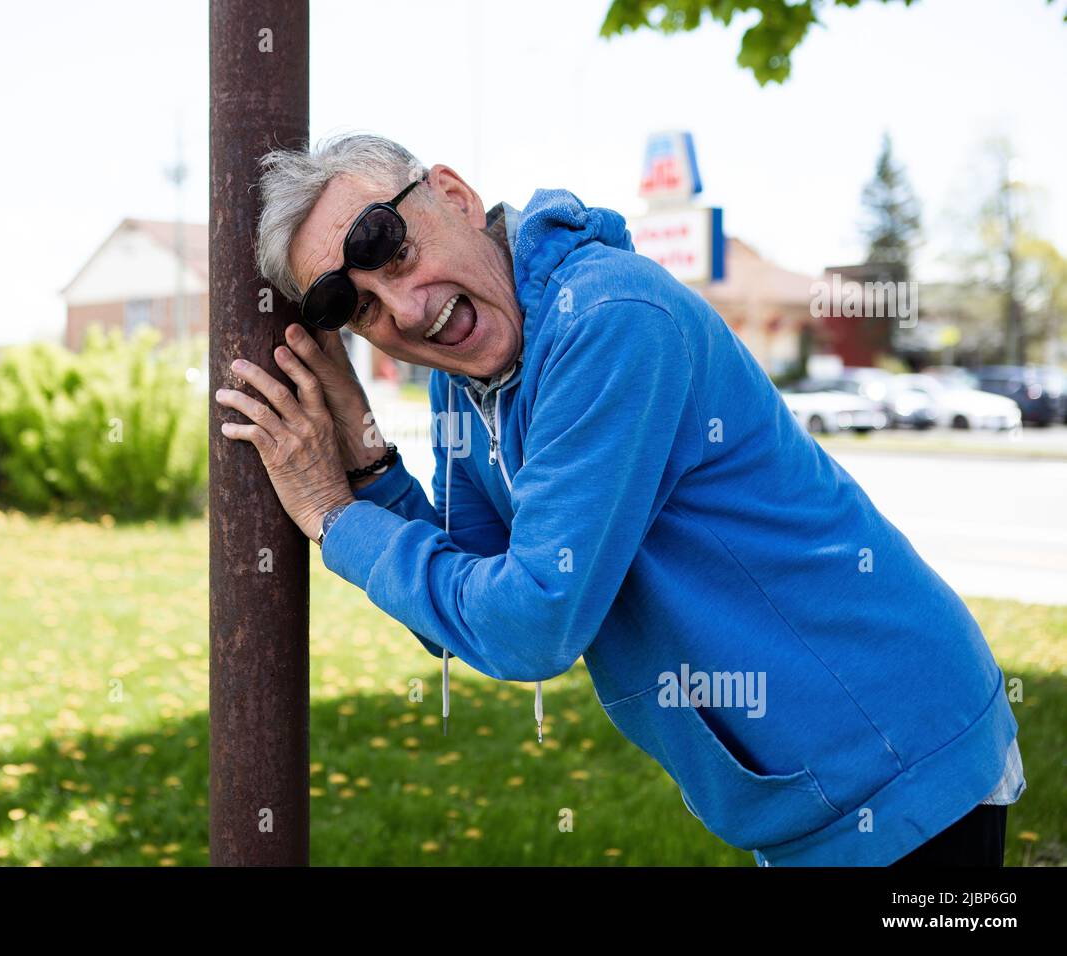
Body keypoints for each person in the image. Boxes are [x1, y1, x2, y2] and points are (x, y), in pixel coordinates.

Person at [214, 133, 1024, 866]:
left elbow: (531, 623)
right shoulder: (467, 380)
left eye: (388, 249)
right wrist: (361, 447)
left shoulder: (609, 320)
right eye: (354, 308)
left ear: (455, 196)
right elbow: (467, 602)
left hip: (899, 758)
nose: (408, 308)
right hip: (813, 786)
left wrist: (333, 518)